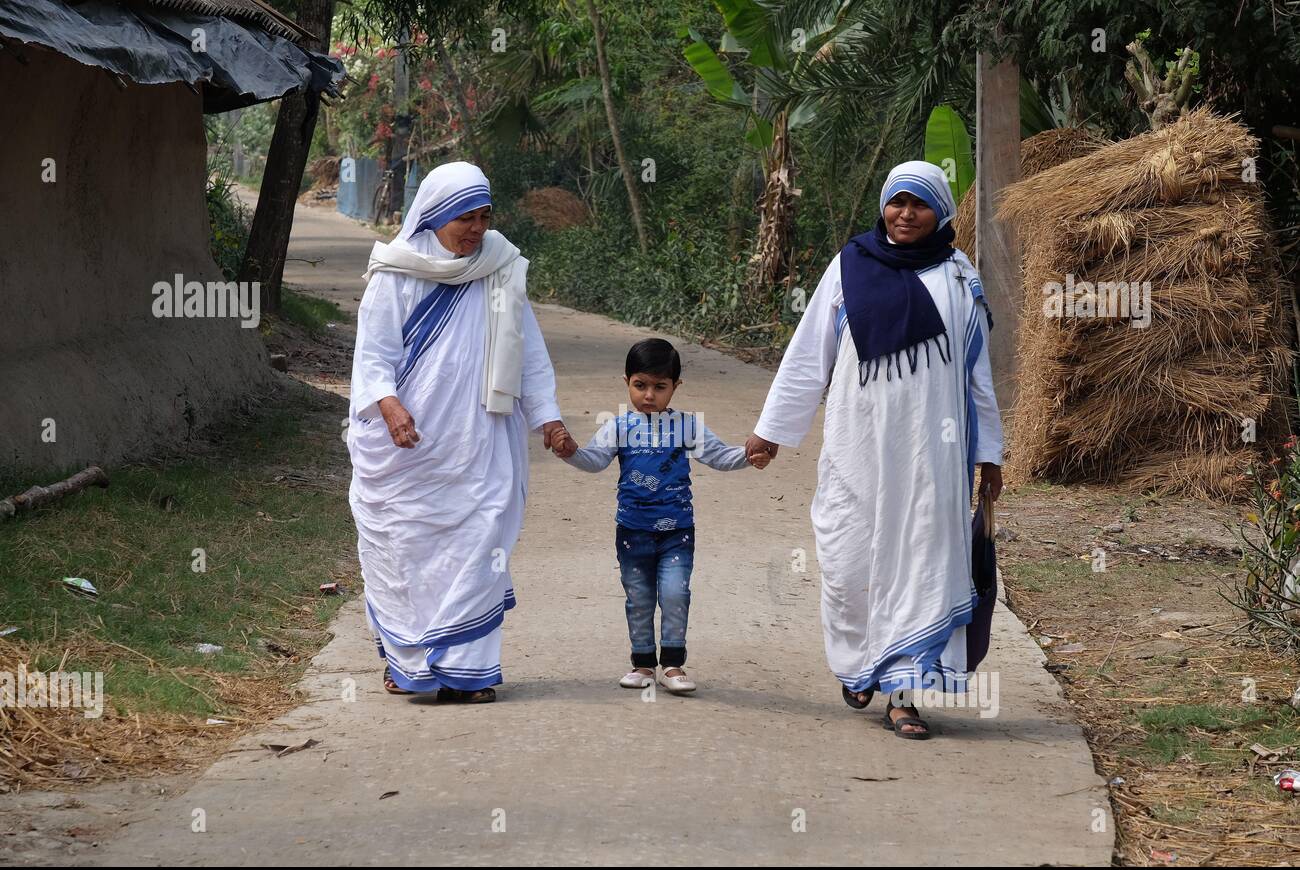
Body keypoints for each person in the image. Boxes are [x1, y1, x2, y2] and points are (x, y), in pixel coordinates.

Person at [746, 161, 1004, 739]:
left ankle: (902, 693)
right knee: (847, 560)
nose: (906, 214)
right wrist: (771, 431)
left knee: (917, 562)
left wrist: (990, 454)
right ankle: (859, 663)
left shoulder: (960, 279)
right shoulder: (849, 267)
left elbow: (977, 375)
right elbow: (809, 353)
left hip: (931, 459)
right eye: (897, 202)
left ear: (941, 211)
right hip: (856, 447)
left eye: (920, 204)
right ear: (883, 206)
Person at [346, 161, 575, 702]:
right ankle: (408, 662)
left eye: (483, 217)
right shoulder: (395, 273)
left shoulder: (500, 267)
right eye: (463, 219)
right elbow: (374, 356)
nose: (475, 229)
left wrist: (548, 414)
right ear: (433, 219)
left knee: (480, 541)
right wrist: (390, 406)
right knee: (404, 549)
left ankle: (470, 670)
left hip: (480, 442)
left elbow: (528, 350)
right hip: (410, 448)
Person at [552, 338, 769, 694]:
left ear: (675, 387)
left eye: (659, 387)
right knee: (638, 597)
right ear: (627, 383)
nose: (649, 395)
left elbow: (719, 456)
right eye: (640, 385)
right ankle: (642, 665)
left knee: (674, 593)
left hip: (677, 533)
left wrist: (750, 456)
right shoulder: (618, 427)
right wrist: (570, 452)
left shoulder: (688, 426)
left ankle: (672, 665)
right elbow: (594, 461)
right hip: (632, 531)